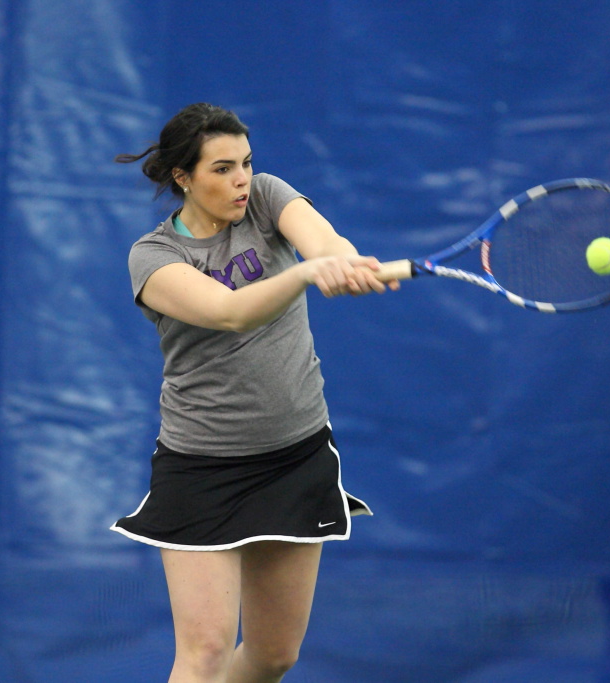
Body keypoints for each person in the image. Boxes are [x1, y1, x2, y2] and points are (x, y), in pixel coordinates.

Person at [110, 103, 397, 683]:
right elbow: (228, 312)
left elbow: (324, 242)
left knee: (273, 656)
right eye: (221, 169)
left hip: (295, 455)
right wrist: (304, 275)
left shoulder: (266, 196)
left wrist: (341, 262)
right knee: (207, 652)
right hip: (202, 470)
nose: (240, 179)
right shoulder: (154, 256)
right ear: (182, 178)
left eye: (245, 162)